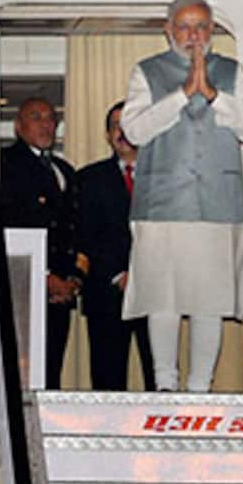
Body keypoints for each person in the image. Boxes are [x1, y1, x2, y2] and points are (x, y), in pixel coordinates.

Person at [120, 0, 243, 392]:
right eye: (184, 27)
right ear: (168, 30)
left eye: (201, 26)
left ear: (212, 32)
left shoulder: (234, 73)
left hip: (218, 204)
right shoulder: (146, 72)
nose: (193, 36)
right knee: (162, 297)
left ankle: (200, 386)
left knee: (211, 300)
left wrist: (215, 96)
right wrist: (182, 95)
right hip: (161, 205)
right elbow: (133, 131)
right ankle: (165, 384)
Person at [0, 97, 85, 390]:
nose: (46, 124)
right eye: (36, 117)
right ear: (18, 126)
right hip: (26, 286)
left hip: (61, 291)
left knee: (51, 372)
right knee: (23, 373)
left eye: (51, 118)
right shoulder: (5, 165)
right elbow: (10, 225)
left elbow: (76, 230)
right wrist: (45, 277)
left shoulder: (65, 170)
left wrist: (74, 279)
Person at [76, 101, 157, 391]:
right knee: (107, 383)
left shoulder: (165, 178)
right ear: (107, 134)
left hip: (156, 293)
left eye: (128, 124)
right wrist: (118, 273)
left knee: (160, 381)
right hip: (106, 294)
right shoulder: (87, 178)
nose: (121, 132)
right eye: (114, 126)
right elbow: (86, 235)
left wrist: (145, 274)